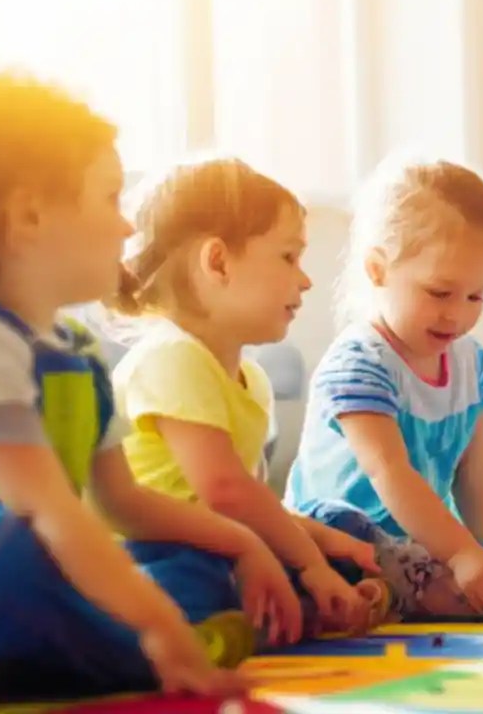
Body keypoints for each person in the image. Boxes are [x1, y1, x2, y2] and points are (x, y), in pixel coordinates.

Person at [0, 72, 289, 705]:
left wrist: (244, 542)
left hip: (38, 592)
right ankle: (143, 655)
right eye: (111, 199)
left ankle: (91, 654)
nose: (125, 229)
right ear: (27, 215)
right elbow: (48, 510)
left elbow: (124, 504)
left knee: (194, 565)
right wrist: (159, 625)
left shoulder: (77, 353)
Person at [112, 157, 388, 640]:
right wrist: (309, 566)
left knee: (340, 530)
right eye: (288, 257)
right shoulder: (171, 357)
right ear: (218, 261)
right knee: (199, 578)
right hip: (160, 551)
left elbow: (257, 506)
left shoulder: (251, 380)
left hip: (231, 548)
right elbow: (227, 493)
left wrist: (326, 546)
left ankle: (311, 608)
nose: (305, 280)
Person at [287, 157, 483, 618]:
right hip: (340, 538)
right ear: (378, 269)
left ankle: (408, 594)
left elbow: (475, 471)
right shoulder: (361, 363)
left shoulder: (472, 366)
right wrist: (462, 555)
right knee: (458, 589)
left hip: (418, 541)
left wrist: (479, 550)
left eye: (476, 295)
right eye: (439, 293)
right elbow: (390, 472)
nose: (458, 315)